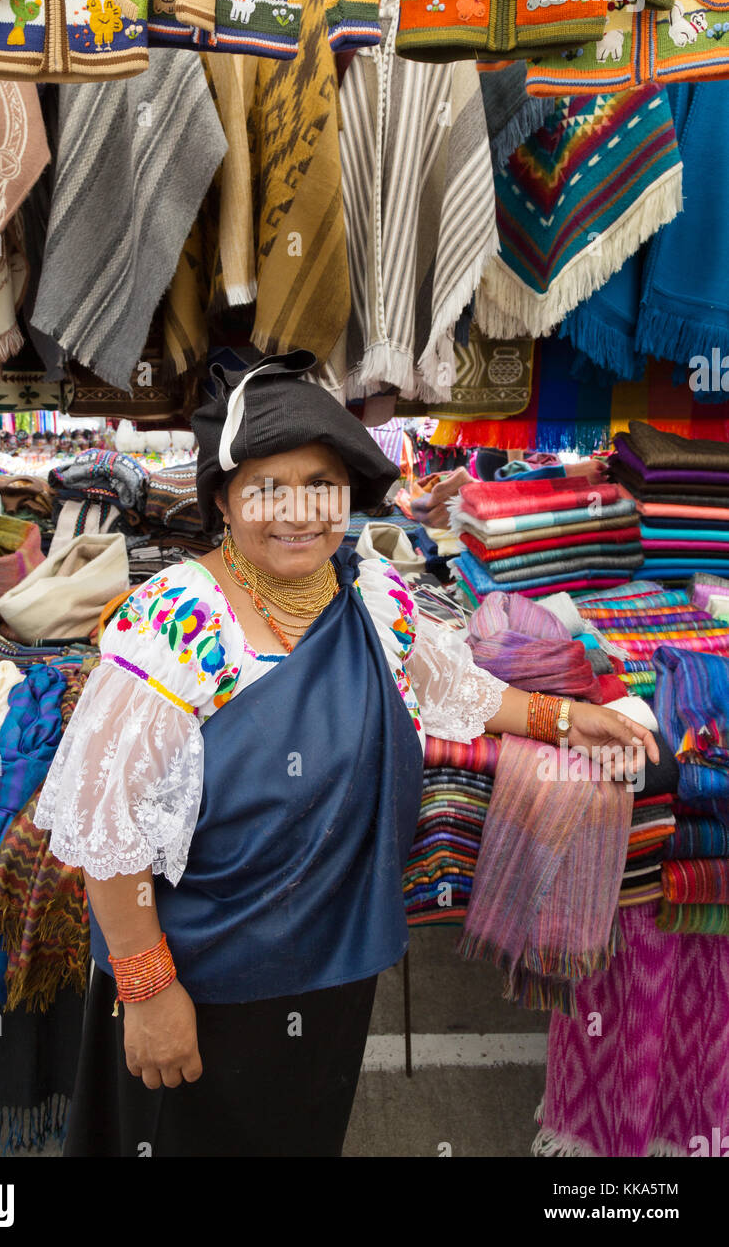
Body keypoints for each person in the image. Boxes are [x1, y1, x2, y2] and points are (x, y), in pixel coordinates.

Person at [35, 351, 658, 1158]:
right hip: (200, 978)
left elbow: (451, 689)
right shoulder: (178, 621)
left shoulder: (369, 594)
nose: (298, 511)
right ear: (223, 500)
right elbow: (104, 822)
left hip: (332, 969)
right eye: (268, 485)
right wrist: (149, 989)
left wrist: (565, 719)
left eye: (320, 483)